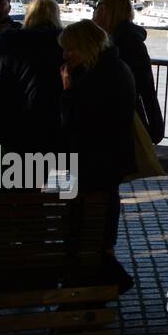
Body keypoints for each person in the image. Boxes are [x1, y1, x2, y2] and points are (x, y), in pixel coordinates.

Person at [59, 20, 137, 293]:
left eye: (70, 49)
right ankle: (103, 276)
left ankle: (103, 280)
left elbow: (77, 122)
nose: (67, 55)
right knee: (100, 218)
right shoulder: (115, 68)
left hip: (94, 161)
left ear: (85, 46)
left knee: (87, 222)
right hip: (109, 159)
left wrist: (68, 91)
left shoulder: (94, 77)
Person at [0, 0, 64, 153]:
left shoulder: (12, 41)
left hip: (16, 123)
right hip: (56, 123)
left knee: (13, 174)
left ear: (29, 15)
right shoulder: (67, 44)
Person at [93, 0, 164, 144]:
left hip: (120, 120)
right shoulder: (127, 40)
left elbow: (145, 87)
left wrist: (156, 129)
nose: (94, 10)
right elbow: (147, 88)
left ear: (107, 10)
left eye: (97, 5)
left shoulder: (124, 43)